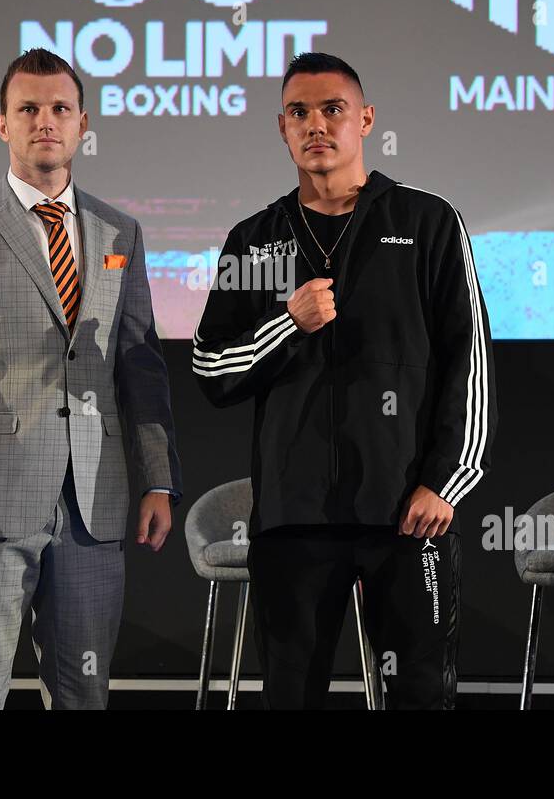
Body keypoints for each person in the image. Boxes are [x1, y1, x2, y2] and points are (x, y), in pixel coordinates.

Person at [192, 52, 496, 709]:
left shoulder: (426, 221)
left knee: (420, 694)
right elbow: (211, 370)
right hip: (293, 521)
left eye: (332, 109)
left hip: (407, 514)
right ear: (282, 128)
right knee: (291, 696)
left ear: (365, 119)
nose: (316, 125)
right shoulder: (255, 239)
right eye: (299, 112)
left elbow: (467, 360)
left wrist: (445, 482)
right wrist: (286, 323)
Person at [0, 48, 181, 709]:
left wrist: (159, 478)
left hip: (95, 505)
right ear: (3, 123)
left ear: (83, 121)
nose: (44, 121)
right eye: (28, 109)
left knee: (85, 693)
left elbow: (141, 364)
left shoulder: (122, 232)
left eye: (59, 108)